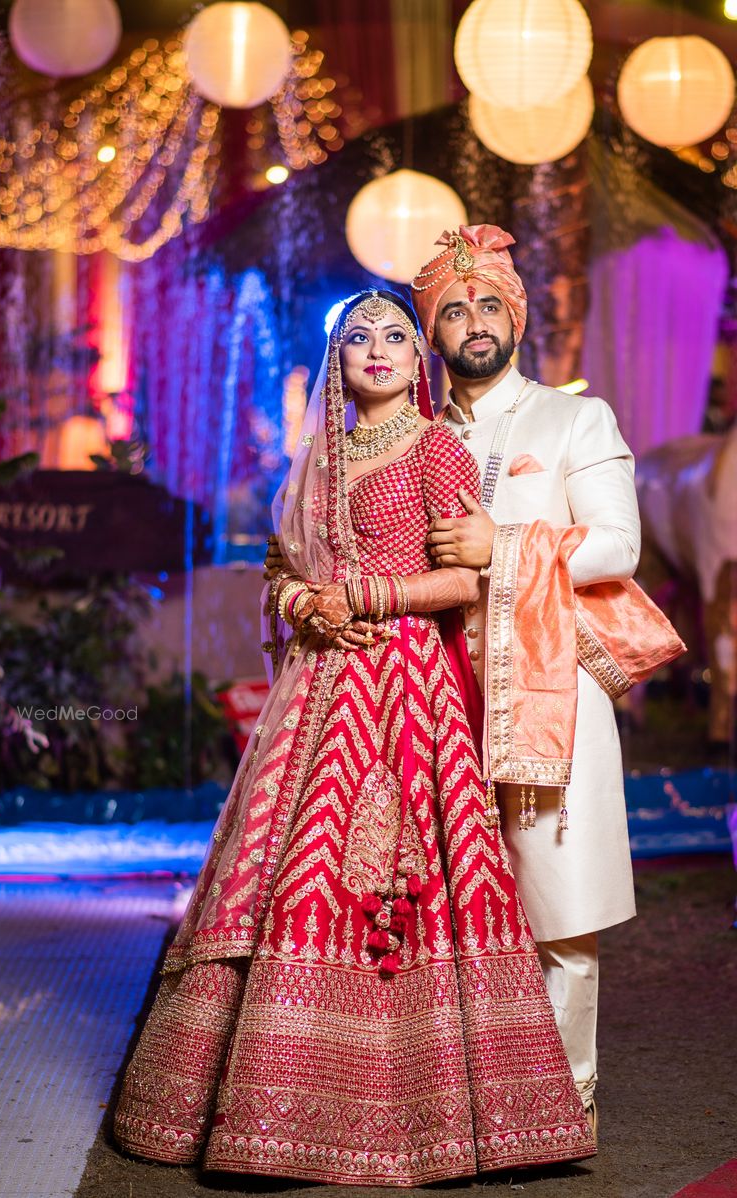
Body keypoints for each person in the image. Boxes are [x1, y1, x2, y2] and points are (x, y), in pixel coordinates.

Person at [114, 288, 596, 1185]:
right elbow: (278, 568)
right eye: (358, 338)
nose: (377, 349)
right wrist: (305, 602)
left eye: (396, 337)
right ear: (336, 363)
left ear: (419, 362)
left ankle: (439, 1116)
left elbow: (464, 582)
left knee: (403, 872)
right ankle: (277, 1110)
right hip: (318, 686)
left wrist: (369, 596)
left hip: (409, 686)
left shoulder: (436, 447)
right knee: (290, 865)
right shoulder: (316, 460)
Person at [409, 223, 682, 1136]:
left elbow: (617, 547)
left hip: (548, 695)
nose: (475, 322)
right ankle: (462, 1104)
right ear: (432, 333)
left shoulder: (575, 419)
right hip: (434, 698)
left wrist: (503, 546)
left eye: (490, 304)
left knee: (559, 909)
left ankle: (566, 1105)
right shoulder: (413, 437)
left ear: (516, 318)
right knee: (446, 908)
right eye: (455, 311)